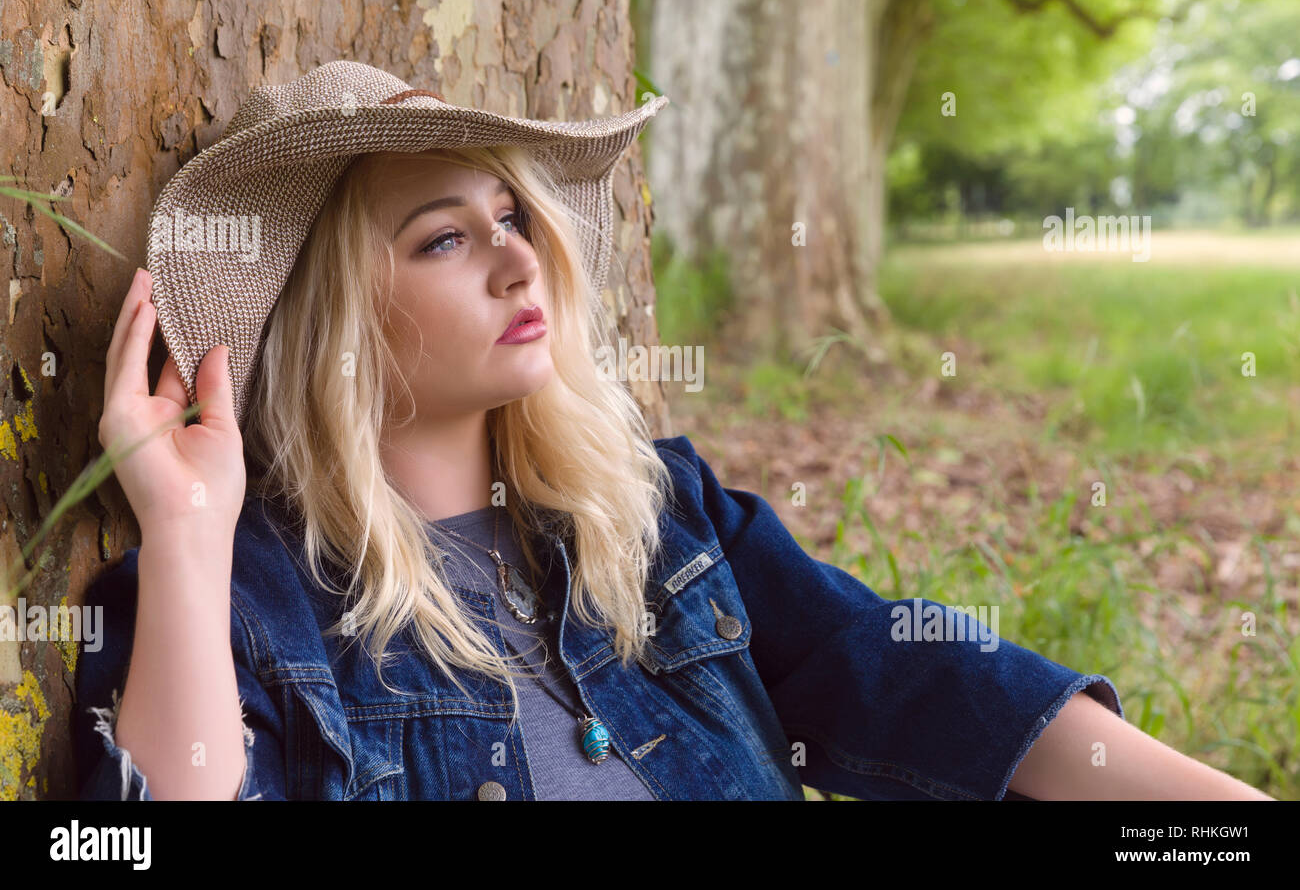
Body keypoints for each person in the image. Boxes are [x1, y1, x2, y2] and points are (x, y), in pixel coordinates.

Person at [74, 62, 1272, 801]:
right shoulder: (250, 595)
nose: (513, 257)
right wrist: (184, 524)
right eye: (443, 237)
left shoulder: (652, 511)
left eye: (512, 214)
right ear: (333, 315)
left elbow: (916, 675)